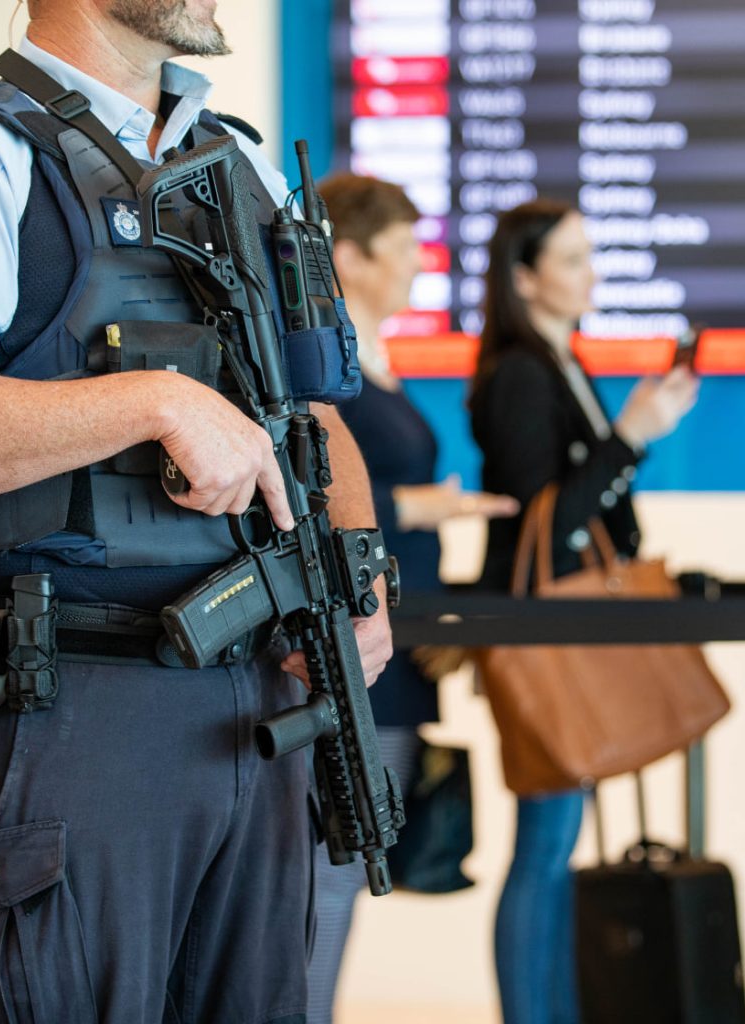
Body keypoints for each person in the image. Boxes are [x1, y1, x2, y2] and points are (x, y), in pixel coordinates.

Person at [0, 2, 392, 1021]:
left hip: (257, 710)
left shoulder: (243, 170)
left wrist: (362, 575)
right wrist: (159, 401)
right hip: (70, 707)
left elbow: (315, 411)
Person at [468, 198, 699, 1024]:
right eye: (569, 259)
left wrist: (633, 433)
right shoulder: (523, 373)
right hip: (543, 631)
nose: (588, 272)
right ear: (524, 279)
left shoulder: (560, 360)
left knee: (556, 843)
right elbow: (546, 515)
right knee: (545, 847)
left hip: (568, 628)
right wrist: (631, 437)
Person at [304, 172, 518, 1023]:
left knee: (346, 875)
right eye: (401, 253)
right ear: (349, 256)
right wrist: (421, 507)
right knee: (324, 882)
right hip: (357, 656)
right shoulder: (322, 361)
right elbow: (308, 491)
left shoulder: (369, 356)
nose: (416, 271)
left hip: (398, 649)